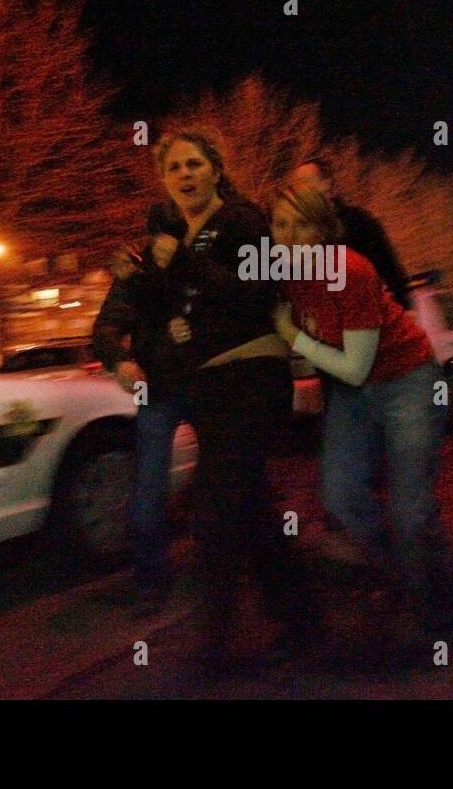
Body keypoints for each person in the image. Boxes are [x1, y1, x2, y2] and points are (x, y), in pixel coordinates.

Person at [138, 127, 319, 666]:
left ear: (217, 169)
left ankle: (211, 645)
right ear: (164, 181)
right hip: (211, 388)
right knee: (250, 510)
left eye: (195, 164)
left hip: (251, 379)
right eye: (174, 168)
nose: (185, 175)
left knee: (215, 509)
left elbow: (258, 290)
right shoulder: (180, 239)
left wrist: (184, 266)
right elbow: (172, 317)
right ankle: (303, 625)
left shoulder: (240, 220)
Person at [270, 181, 453, 644]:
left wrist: (292, 337)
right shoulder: (285, 278)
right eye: (279, 224)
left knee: (412, 512)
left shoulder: (348, 269)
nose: (289, 234)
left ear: (323, 230)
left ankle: (439, 622)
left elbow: (353, 366)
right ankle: (400, 576)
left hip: (406, 382)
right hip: (355, 393)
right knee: (339, 496)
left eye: (302, 224)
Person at [91, 201, 191, 615]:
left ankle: (240, 561)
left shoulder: (198, 261)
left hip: (206, 381)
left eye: (172, 238)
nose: (164, 247)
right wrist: (119, 359)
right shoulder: (135, 273)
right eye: (158, 239)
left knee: (234, 476)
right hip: (159, 387)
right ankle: (151, 580)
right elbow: (106, 325)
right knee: (148, 487)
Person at [290, 157, 411, 308]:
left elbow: (389, 267)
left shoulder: (357, 222)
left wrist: (404, 307)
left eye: (306, 181)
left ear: (325, 184)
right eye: (296, 185)